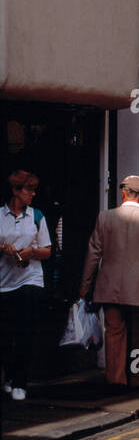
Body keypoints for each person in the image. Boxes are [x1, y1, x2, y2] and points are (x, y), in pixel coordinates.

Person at [79, 175, 139, 390]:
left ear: (123, 193)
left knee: (113, 333)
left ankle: (115, 378)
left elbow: (93, 254)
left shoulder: (105, 217)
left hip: (109, 286)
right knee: (138, 335)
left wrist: (84, 287)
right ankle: (137, 378)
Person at [1, 171, 52, 401]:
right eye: (28, 190)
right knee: (6, 334)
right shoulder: (0, 215)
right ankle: (10, 376)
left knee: (25, 333)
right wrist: (4, 248)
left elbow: (48, 250)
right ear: (15, 191)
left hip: (30, 279)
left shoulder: (37, 216)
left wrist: (31, 252)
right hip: (4, 281)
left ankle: (21, 382)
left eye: (33, 190)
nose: (33, 194)